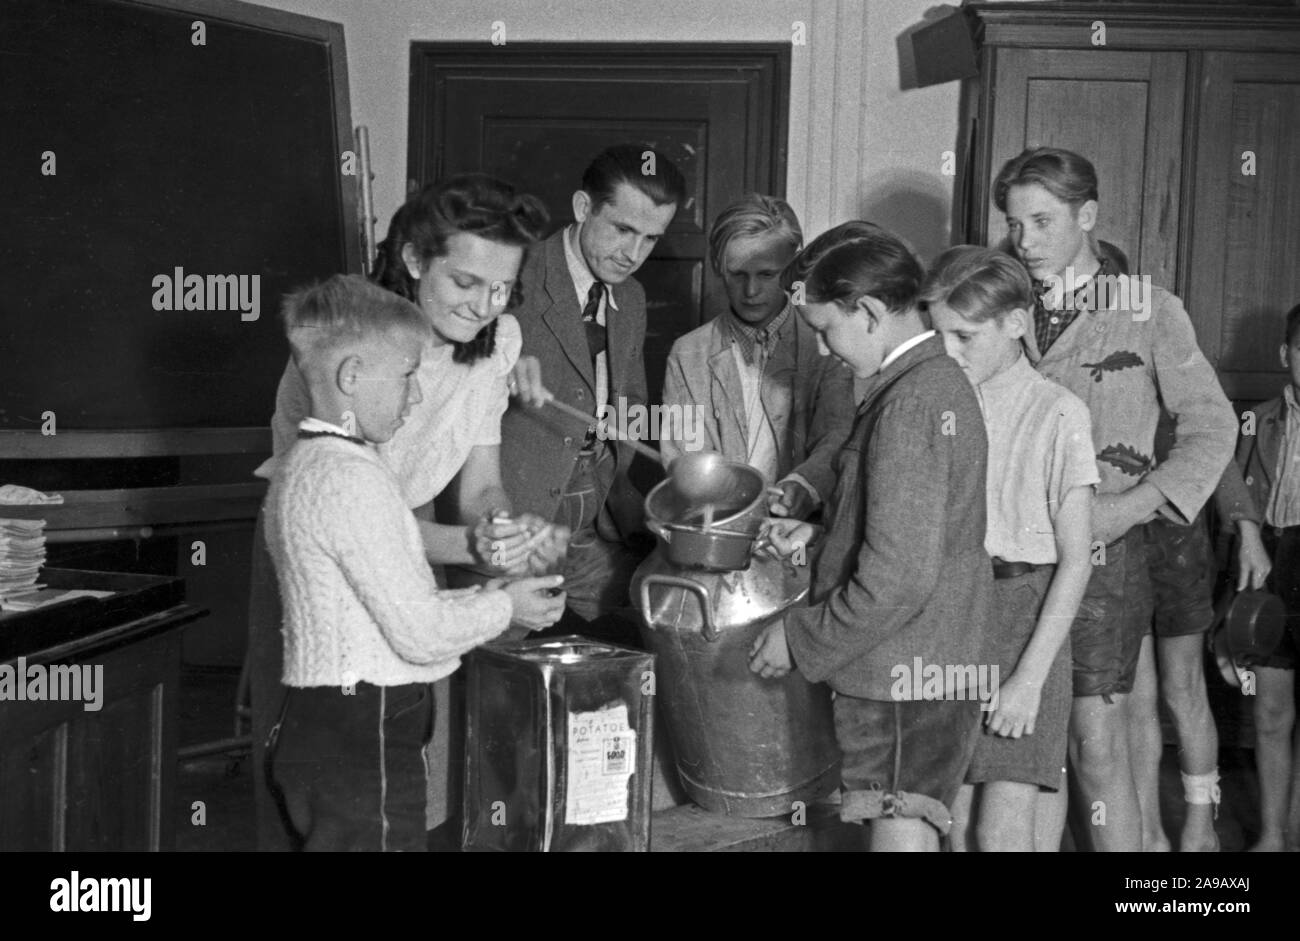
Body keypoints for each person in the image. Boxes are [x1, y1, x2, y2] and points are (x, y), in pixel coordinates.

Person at [248, 174, 563, 850]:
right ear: (416, 260)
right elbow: (357, 525)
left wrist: (501, 531)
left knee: (402, 783)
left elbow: (481, 484)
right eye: (466, 282)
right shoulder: (346, 355)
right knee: (315, 786)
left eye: (501, 288)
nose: (485, 305)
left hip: (413, 549)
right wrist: (486, 562)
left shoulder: (494, 343)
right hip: (314, 568)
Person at [993, 146, 1238, 851]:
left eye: (1042, 222)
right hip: (1011, 560)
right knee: (1033, 748)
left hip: (1104, 559)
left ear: (1088, 216)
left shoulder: (1149, 309)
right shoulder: (1002, 305)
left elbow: (1212, 424)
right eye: (1015, 224)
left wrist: (1134, 506)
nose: (1025, 241)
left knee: (1096, 745)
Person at [748, 222, 993, 852]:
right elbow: (903, 532)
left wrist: (801, 638)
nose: (826, 350)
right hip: (919, 661)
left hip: (901, 670)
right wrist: (819, 535)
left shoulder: (911, 401)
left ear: (871, 311)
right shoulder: (919, 386)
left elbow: (900, 577)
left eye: (828, 329)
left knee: (899, 830)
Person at [924, 246, 1096, 852]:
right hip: (953, 617)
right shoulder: (943, 403)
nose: (949, 351)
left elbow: (1076, 561)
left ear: (1016, 323)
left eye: (965, 336)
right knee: (957, 822)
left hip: (1025, 622)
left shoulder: (1060, 413)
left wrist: (1027, 681)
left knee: (1001, 831)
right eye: (939, 334)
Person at [499, 143, 686, 638]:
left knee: (652, 628)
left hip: (593, 520)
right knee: (502, 664)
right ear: (584, 209)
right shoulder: (510, 274)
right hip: (514, 523)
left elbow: (627, 409)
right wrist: (495, 374)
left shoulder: (632, 296)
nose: (633, 254)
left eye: (650, 239)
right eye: (623, 229)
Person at [659, 193, 855, 517]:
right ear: (718, 268)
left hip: (800, 532)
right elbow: (685, 456)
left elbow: (838, 436)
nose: (751, 291)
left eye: (767, 275)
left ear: (793, 268)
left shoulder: (825, 345)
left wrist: (805, 485)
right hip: (716, 529)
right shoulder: (688, 353)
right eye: (737, 274)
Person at [1230, 301, 1300, 851]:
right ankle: (1273, 836)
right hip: (1273, 563)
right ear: (1286, 354)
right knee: (1271, 711)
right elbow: (1235, 514)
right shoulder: (1256, 419)